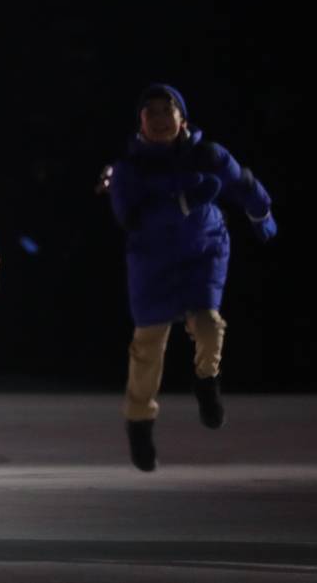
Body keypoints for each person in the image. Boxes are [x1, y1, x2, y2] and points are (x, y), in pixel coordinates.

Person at [107, 84, 276, 472]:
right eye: (152, 114)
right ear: (141, 123)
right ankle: (140, 422)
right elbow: (130, 219)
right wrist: (181, 203)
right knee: (148, 346)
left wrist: (261, 214)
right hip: (151, 264)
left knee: (209, 326)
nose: (161, 119)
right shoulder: (130, 169)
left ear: (183, 118)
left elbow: (242, 182)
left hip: (203, 252)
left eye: (168, 111)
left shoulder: (207, 155)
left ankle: (207, 380)